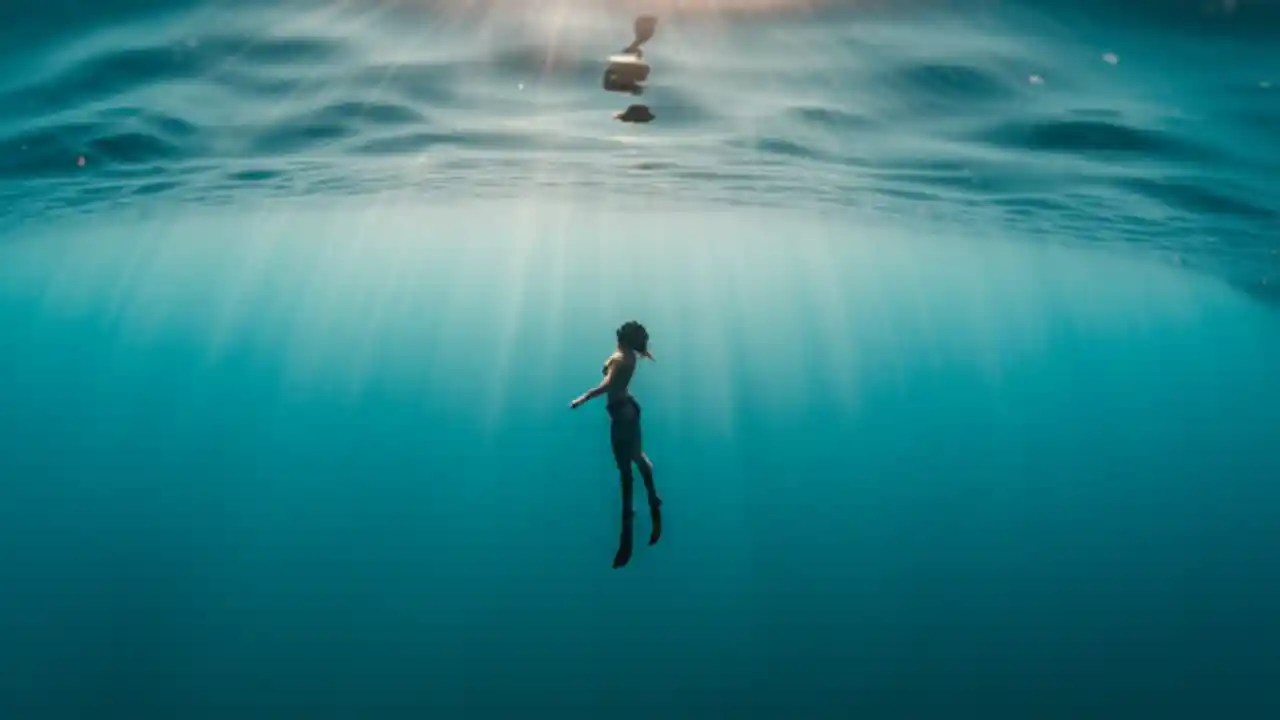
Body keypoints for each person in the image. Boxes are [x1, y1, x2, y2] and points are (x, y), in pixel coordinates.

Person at [570, 321, 662, 569]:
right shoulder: (628, 356)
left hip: (621, 414)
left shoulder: (622, 357)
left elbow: (609, 385)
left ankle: (628, 517)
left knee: (625, 469)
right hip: (629, 410)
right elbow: (615, 380)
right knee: (637, 457)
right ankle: (653, 496)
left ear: (621, 338)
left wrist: (583, 398)